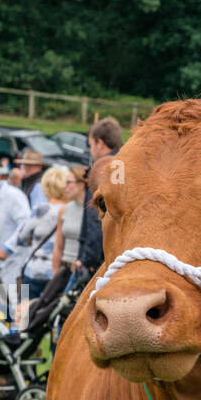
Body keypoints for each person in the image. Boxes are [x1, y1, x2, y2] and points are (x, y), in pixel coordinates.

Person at [2, 164, 68, 319]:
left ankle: (18, 341)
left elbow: (21, 236)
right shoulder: (70, 211)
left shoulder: (40, 210)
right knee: (54, 317)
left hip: (34, 270)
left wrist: (32, 240)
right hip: (57, 273)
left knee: (22, 315)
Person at [72, 116, 124, 285]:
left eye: (91, 144)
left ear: (100, 143)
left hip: (98, 262)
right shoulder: (126, 166)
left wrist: (86, 260)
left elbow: (96, 219)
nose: (91, 149)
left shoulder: (102, 170)